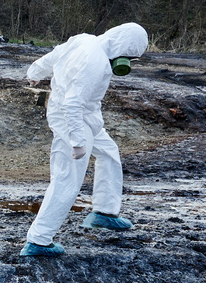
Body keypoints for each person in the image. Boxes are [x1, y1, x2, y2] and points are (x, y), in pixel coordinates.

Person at [21, 22, 149, 257]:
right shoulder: (96, 62)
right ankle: (38, 241)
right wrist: (78, 142)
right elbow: (73, 103)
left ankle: (104, 213)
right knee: (66, 178)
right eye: (131, 58)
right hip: (72, 120)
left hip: (86, 118)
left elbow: (55, 54)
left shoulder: (85, 39)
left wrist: (35, 72)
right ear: (123, 49)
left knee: (108, 152)